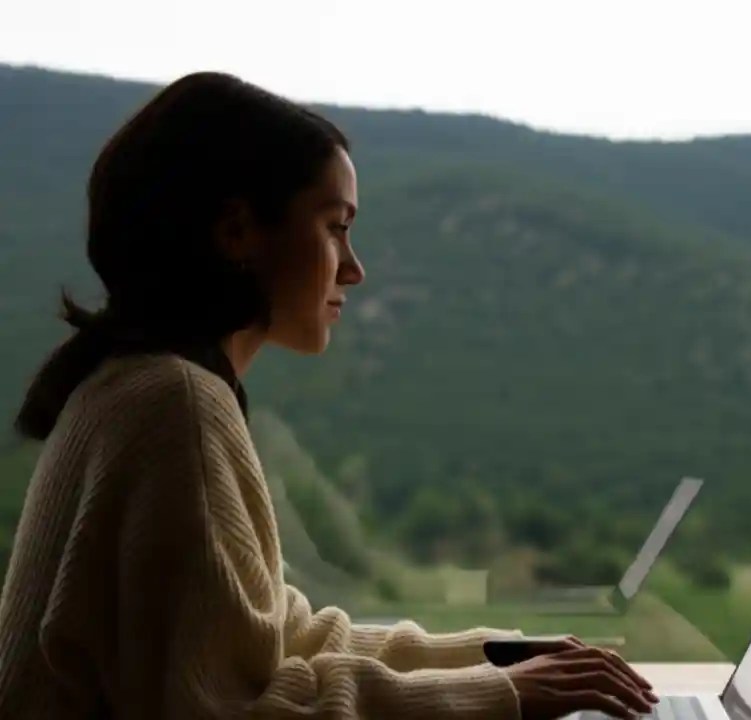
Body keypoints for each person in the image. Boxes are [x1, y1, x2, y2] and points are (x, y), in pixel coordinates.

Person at [0, 72, 657, 719]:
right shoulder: (174, 407)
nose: (354, 267)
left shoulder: (138, 383)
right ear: (237, 232)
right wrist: (502, 696)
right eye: (335, 226)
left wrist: (502, 660)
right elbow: (238, 709)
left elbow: (283, 641)